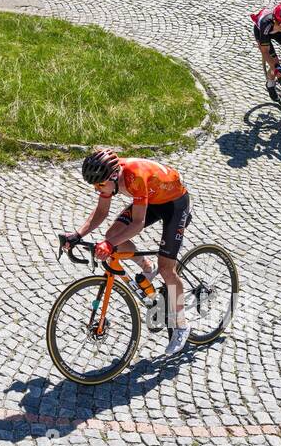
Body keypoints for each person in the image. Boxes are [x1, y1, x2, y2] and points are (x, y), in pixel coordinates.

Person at [61, 150, 194, 356]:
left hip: (174, 204)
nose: (98, 188)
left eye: (101, 184)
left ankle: (182, 326)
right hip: (153, 199)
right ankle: (146, 266)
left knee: (167, 270)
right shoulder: (108, 176)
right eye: (95, 185)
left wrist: (109, 245)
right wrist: (77, 234)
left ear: (114, 176)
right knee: (112, 234)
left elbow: (138, 224)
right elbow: (101, 212)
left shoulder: (135, 177)